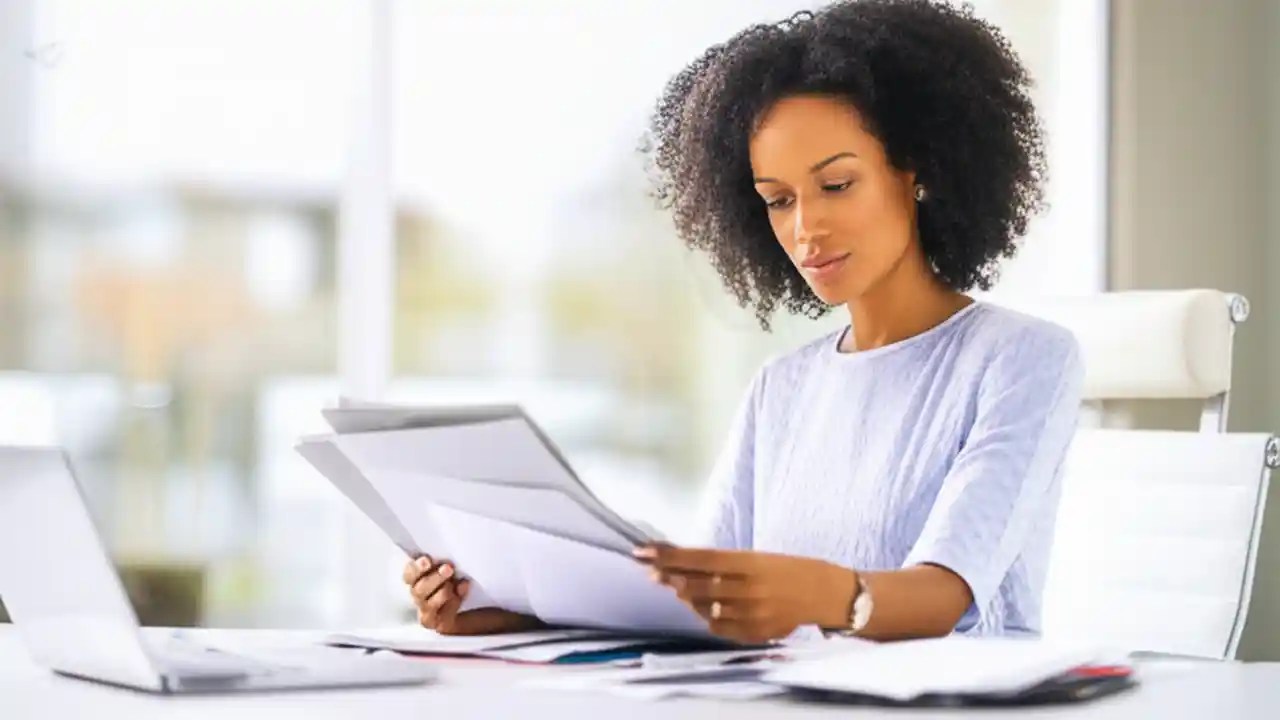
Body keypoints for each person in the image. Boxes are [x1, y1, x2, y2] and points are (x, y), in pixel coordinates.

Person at [402, 0, 1083, 643]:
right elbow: (700, 598)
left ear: (918, 172)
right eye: (778, 200)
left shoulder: (1022, 358)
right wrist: (508, 612)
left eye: (837, 185)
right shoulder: (781, 387)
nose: (805, 227)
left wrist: (826, 596)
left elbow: (945, 597)